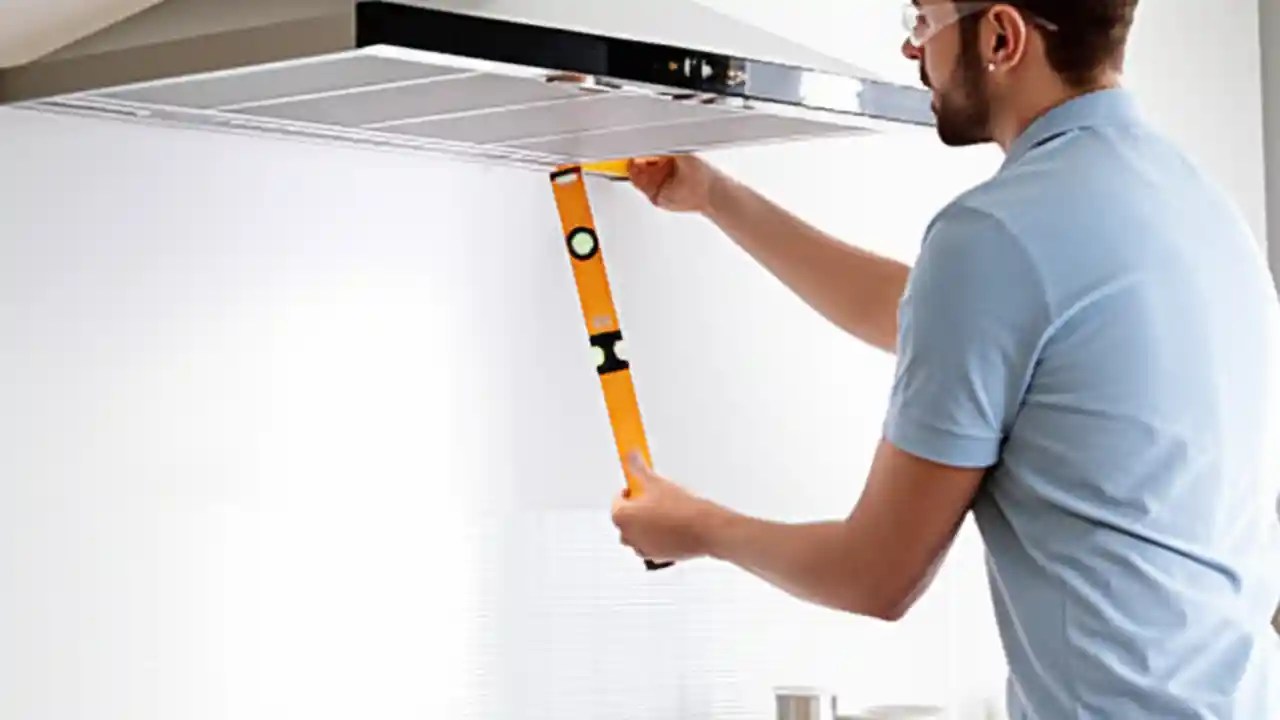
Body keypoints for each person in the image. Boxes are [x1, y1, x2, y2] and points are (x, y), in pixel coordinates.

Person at [609, 1, 1280, 717]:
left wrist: (698, 527)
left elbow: (876, 575)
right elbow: (925, 314)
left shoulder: (995, 237)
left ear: (1000, 35)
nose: (911, 52)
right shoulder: (1201, 210)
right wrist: (719, 198)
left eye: (923, 20)